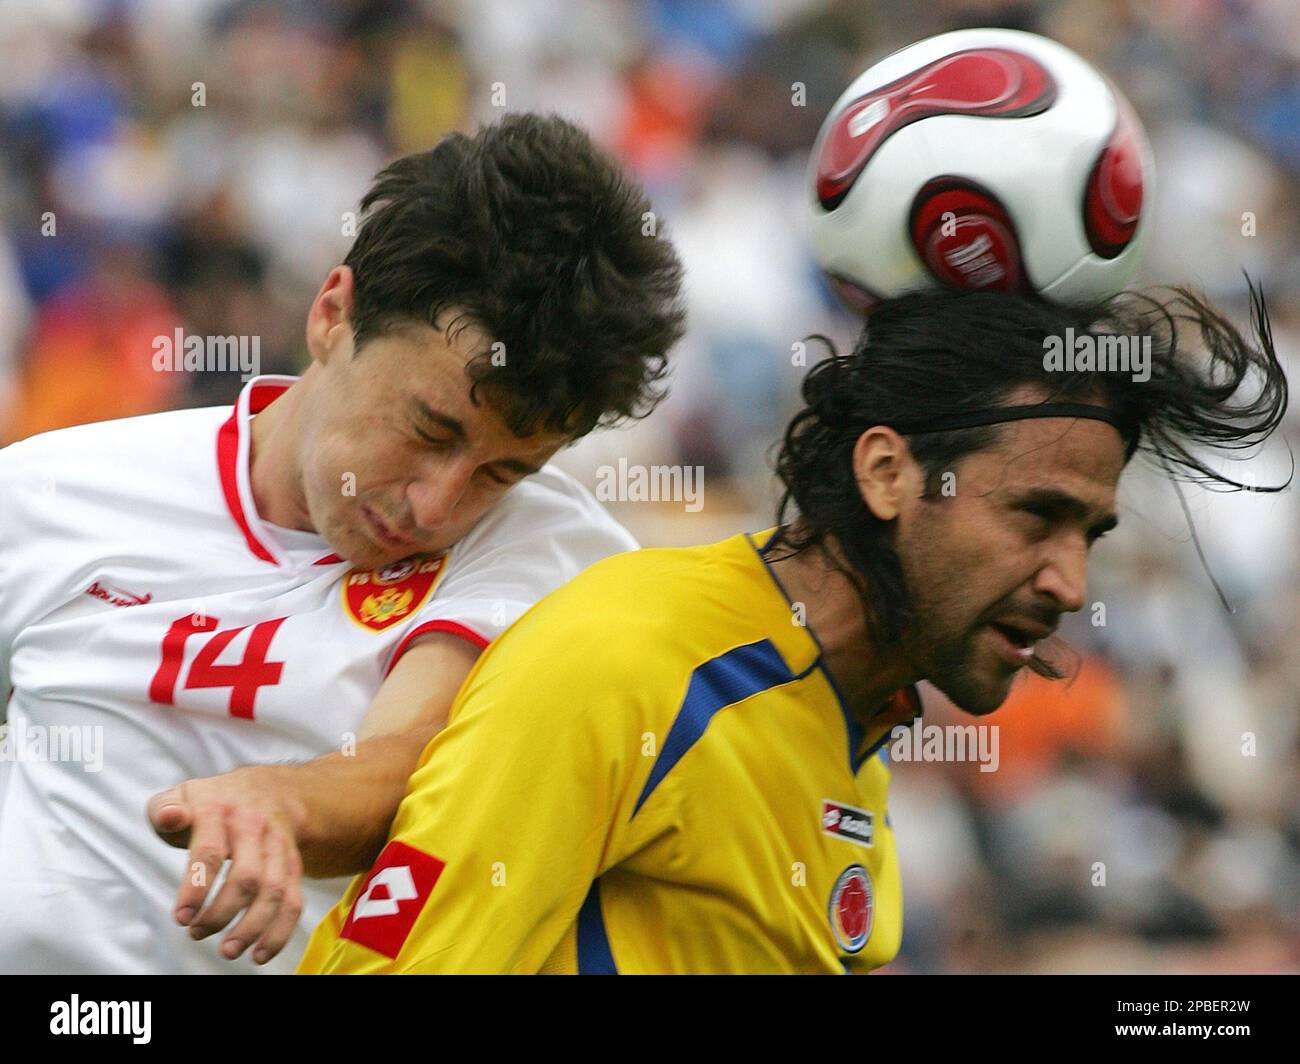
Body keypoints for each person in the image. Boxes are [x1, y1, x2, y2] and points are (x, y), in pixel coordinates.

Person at [298, 284, 1287, 974]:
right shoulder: (633, 661)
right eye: (1035, 516)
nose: (1071, 582)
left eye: (1090, 533)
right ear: (887, 472)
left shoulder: (854, 727)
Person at [0, 113, 686, 973]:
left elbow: (409, 764)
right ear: (333, 314)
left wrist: (278, 803)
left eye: (503, 471)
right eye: (429, 429)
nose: (437, 507)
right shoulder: (48, 492)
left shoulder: (552, 547)